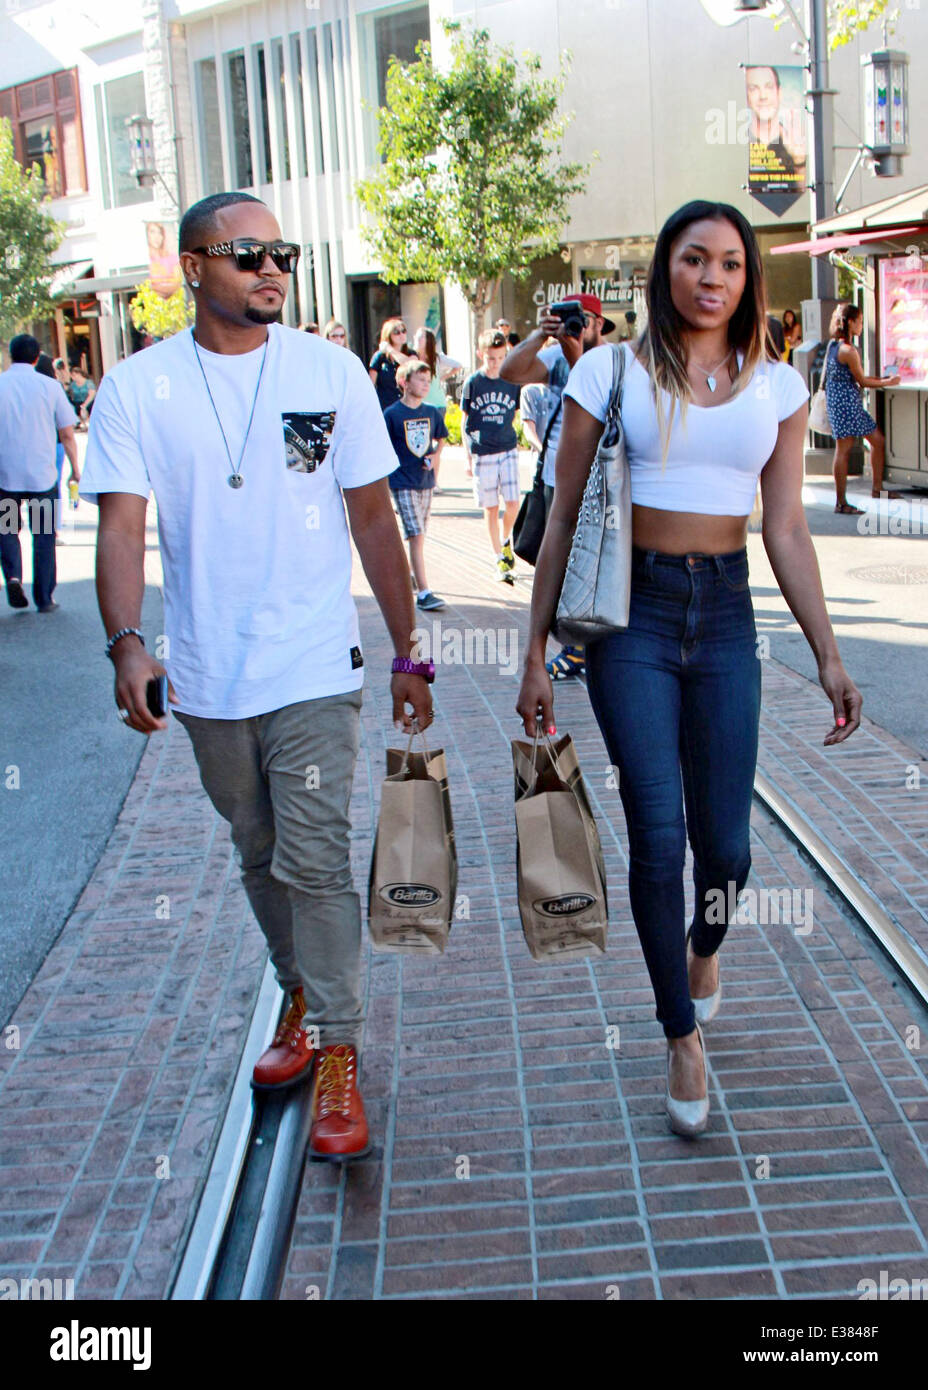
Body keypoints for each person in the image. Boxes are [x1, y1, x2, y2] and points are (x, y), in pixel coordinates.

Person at [78, 192, 433, 1162]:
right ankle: (304, 990)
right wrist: (127, 642)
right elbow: (121, 525)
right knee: (258, 847)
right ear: (193, 267)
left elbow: (370, 514)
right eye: (246, 254)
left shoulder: (328, 372)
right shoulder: (139, 389)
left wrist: (409, 648)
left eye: (282, 252)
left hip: (315, 664)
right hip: (206, 676)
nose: (271, 268)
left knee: (314, 857)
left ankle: (338, 1057)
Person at [517, 199, 862, 1138]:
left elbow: (786, 527)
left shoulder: (778, 388)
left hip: (726, 615)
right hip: (630, 618)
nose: (712, 278)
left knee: (731, 849)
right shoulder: (607, 370)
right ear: (664, 269)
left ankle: (705, 948)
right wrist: (536, 651)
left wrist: (828, 654)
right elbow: (561, 519)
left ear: (748, 280)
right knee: (657, 836)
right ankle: (679, 1032)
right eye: (693, 260)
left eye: (731, 265)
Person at [502, 291, 613, 677]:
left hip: (599, 481)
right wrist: (539, 336)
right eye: (566, 318)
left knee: (586, 565)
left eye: (581, 318)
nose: (574, 326)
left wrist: (575, 356)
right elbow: (509, 373)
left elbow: (603, 406)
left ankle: (582, 648)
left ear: (599, 323)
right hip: (555, 473)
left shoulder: (611, 360)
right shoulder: (553, 354)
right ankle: (567, 644)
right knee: (557, 561)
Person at [0, 334, 79, 611]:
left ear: (11, 355)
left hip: (5, 478)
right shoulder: (50, 387)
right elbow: (67, 434)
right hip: (41, 477)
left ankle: (12, 576)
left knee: (7, 529)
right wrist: (75, 470)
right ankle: (44, 598)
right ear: (36, 357)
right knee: (44, 534)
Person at [824, 302, 902, 513]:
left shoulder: (833, 346)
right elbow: (863, 381)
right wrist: (888, 382)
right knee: (845, 450)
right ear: (850, 322)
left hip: (841, 403)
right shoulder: (848, 350)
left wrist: (883, 379)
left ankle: (876, 489)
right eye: (858, 321)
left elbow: (857, 377)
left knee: (875, 441)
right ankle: (841, 503)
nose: (861, 325)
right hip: (847, 405)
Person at [383, 358, 447, 613]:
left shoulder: (431, 411)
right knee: (416, 535)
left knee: (418, 534)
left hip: (424, 481)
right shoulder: (392, 414)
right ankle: (424, 592)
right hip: (402, 481)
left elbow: (441, 437)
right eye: (419, 380)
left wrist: (435, 455)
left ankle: (410, 575)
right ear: (404, 382)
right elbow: (382, 448)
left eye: (427, 381)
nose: (424, 385)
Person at [461, 329, 522, 584]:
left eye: (499, 357)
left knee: (513, 503)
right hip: (483, 451)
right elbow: (465, 421)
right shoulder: (473, 383)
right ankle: (499, 557)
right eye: (490, 358)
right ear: (480, 354)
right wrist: (468, 456)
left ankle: (506, 538)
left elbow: (515, 412)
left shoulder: (511, 381)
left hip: (507, 447)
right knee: (491, 507)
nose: (495, 362)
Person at [412, 327, 462, 489]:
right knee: (421, 443)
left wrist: (443, 376)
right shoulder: (412, 359)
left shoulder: (437, 359)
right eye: (416, 338)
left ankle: (434, 480)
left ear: (428, 341)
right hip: (420, 405)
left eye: (420, 338)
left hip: (437, 404)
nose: (417, 340)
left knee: (436, 443)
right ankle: (422, 478)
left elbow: (457, 365)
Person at [745, 65, 806, 186]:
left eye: (769, 87)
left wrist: (799, 163)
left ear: (779, 92)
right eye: (753, 89)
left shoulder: (797, 143)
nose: (763, 96)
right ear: (747, 97)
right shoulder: (739, 142)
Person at [369, 318, 413, 412]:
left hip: (407, 405)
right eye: (396, 332)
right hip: (385, 406)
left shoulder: (411, 353)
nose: (401, 335)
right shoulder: (380, 357)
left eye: (403, 331)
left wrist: (390, 349)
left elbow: (411, 365)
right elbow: (370, 384)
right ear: (388, 335)